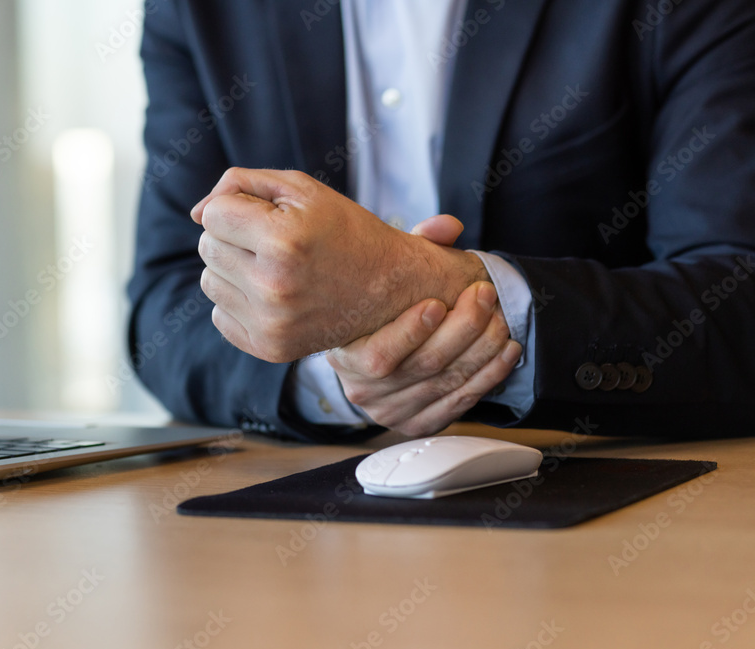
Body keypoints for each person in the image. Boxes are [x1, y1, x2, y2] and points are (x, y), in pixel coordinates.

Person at [127, 0, 755, 443]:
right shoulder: (195, 9)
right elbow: (167, 299)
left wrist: (426, 289)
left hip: (603, 481)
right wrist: (340, 373)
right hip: (305, 507)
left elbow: (738, 286)